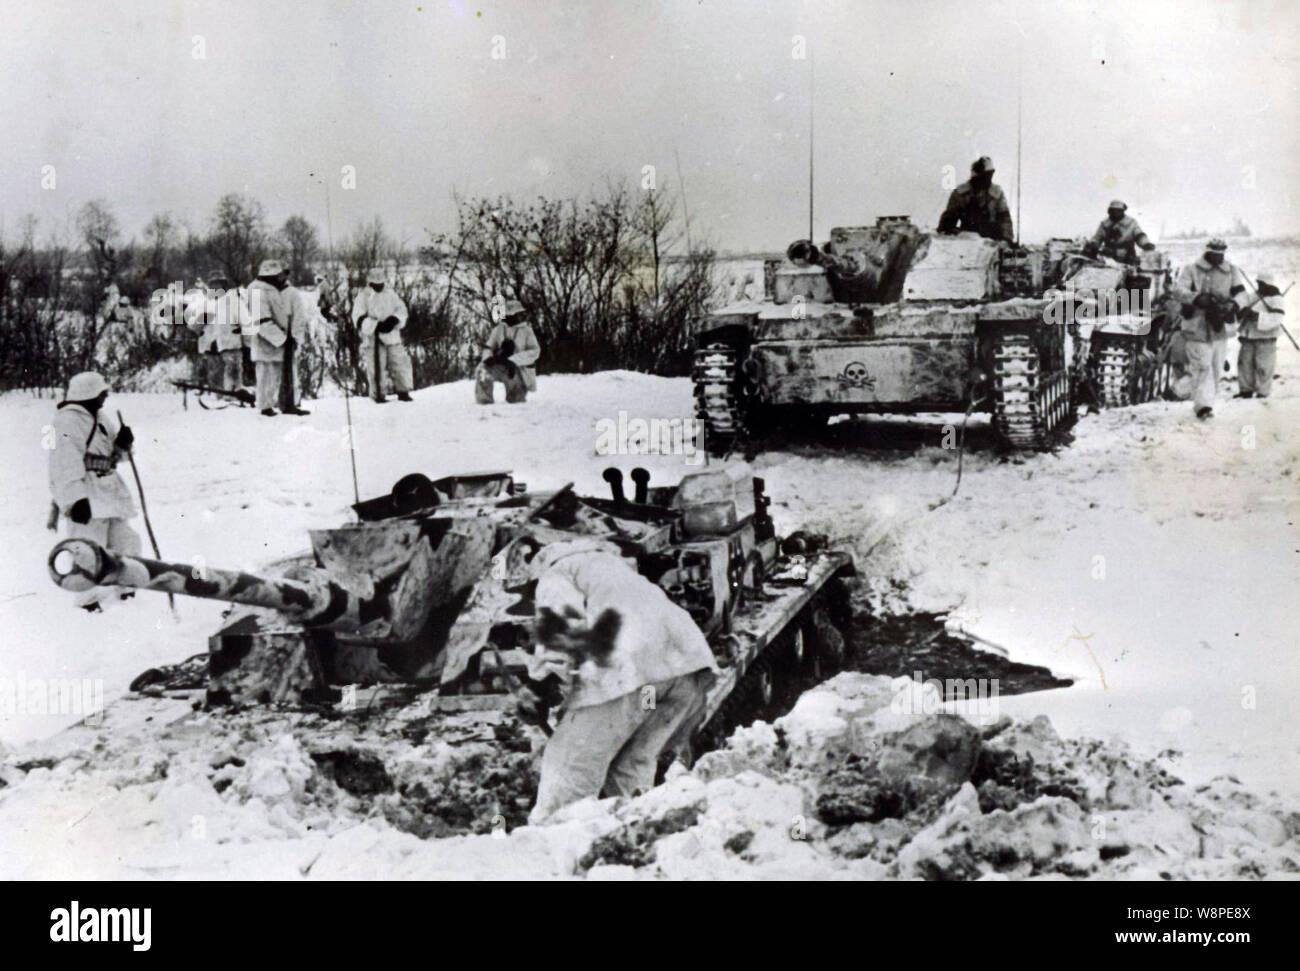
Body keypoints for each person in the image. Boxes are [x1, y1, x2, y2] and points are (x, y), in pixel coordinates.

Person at [512, 538, 719, 822]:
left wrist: (539, 687)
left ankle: (553, 850)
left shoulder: (554, 574)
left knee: (569, 774)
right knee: (630, 768)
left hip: (629, 677)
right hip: (678, 674)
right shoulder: (610, 565)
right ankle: (627, 843)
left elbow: (561, 632)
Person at [46, 372, 142, 612]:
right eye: (102, 392)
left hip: (109, 491)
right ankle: (86, 602)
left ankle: (127, 590)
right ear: (88, 393)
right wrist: (75, 499)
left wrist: (123, 444)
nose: (106, 396)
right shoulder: (67, 421)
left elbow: (112, 456)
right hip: (87, 493)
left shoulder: (99, 417)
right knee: (88, 548)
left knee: (126, 542)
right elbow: (64, 463)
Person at [1171, 239, 1251, 419]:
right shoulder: (1191, 269)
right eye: (1215, 253)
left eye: (1221, 253)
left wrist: (1234, 305)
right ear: (1207, 252)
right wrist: (1196, 298)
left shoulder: (1231, 271)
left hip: (1218, 326)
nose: (1218, 256)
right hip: (1196, 326)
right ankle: (1203, 407)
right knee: (1203, 366)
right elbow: (1178, 291)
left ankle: (1186, 392)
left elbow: (1241, 293)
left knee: (1215, 368)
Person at [352, 268, 413, 403]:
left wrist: (394, 320)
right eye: (375, 284)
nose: (378, 286)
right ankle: (378, 395)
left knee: (399, 363)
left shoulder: (391, 294)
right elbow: (358, 317)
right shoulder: (363, 296)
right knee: (375, 368)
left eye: (380, 284)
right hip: (373, 337)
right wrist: (375, 325)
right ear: (370, 283)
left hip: (392, 335)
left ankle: (403, 392)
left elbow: (402, 310)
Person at [247, 259, 298, 416]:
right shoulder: (257, 291)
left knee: (274, 375)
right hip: (265, 341)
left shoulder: (268, 289)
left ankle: (272, 404)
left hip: (275, 340)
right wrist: (282, 339)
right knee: (265, 375)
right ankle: (264, 406)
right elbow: (261, 321)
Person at [188, 272, 246, 392]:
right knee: (216, 375)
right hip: (212, 345)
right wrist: (202, 322)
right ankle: (220, 398)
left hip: (231, 343)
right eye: (214, 285)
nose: (217, 288)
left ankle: (234, 394)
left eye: (219, 285)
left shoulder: (233, 301)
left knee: (234, 371)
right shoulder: (206, 303)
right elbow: (193, 325)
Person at [476, 299, 540, 404]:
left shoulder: (527, 331)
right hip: (500, 366)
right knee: (482, 370)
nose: (509, 318)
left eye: (513, 315)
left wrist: (513, 361)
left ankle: (515, 403)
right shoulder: (499, 329)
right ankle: (484, 402)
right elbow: (488, 347)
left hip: (518, 370)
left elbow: (534, 351)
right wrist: (488, 358)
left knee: (517, 402)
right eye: (507, 315)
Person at [937, 156, 1015, 243]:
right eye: (985, 175)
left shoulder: (996, 193)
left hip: (991, 241)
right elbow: (949, 218)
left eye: (990, 174)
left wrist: (1006, 240)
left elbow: (1004, 218)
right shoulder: (961, 193)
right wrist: (946, 232)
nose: (988, 178)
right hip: (967, 240)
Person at [1235, 271, 1285, 399]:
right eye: (1258, 283)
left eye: (1261, 284)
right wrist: (1242, 312)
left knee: (1264, 366)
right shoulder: (1255, 295)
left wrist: (1257, 316)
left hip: (1266, 338)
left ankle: (1263, 391)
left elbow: (1277, 318)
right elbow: (1243, 306)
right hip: (1249, 335)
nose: (1259, 286)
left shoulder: (1277, 299)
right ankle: (1245, 390)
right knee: (1245, 363)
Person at [277, 271, 310, 415]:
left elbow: (299, 317)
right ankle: (276, 402)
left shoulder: (292, 293)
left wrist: (296, 337)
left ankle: (290, 402)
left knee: (289, 371)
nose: (279, 278)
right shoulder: (268, 292)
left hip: (288, 336)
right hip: (271, 336)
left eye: (281, 275)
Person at [1083, 200, 1156, 264]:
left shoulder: (1131, 223)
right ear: (1109, 211)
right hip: (1108, 258)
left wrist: (1146, 244)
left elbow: (1139, 235)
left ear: (1122, 211)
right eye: (1113, 210)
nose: (1115, 212)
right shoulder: (1105, 224)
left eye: (1118, 210)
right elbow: (1097, 237)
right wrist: (1092, 245)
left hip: (1127, 257)